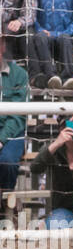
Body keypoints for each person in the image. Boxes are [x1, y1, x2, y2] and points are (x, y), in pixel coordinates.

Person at [0, 38, 27, 193]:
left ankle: (4, 206)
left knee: (7, 162)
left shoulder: (19, 75)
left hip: (11, 135)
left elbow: (18, 116)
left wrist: (1, 139)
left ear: (3, 46)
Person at [0, 0, 35, 70]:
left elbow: (30, 15)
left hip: (22, 28)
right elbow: (1, 17)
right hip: (5, 29)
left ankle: (35, 74)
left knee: (28, 33)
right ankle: (7, 72)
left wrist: (20, 22)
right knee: (4, 30)